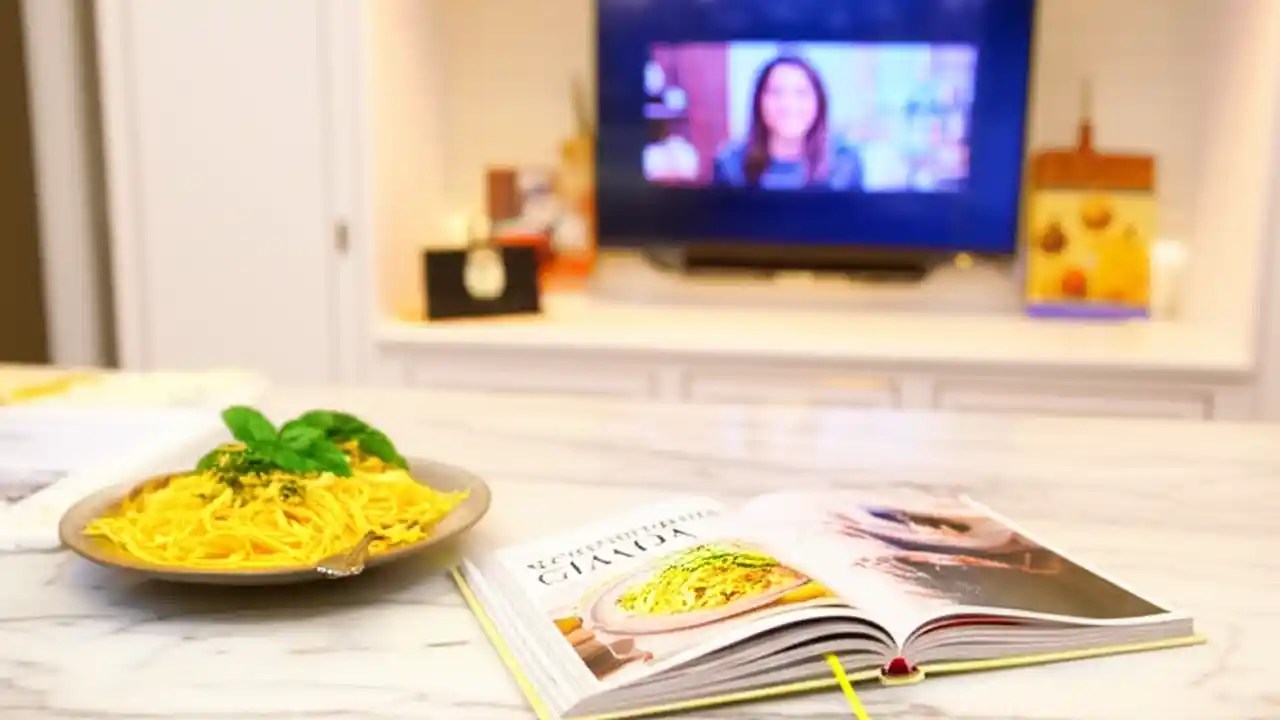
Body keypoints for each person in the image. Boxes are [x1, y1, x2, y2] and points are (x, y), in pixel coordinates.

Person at [714, 54, 862, 190]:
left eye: (801, 93)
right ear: (758, 101)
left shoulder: (845, 161)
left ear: (819, 102)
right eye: (776, 92)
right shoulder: (730, 164)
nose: (788, 104)